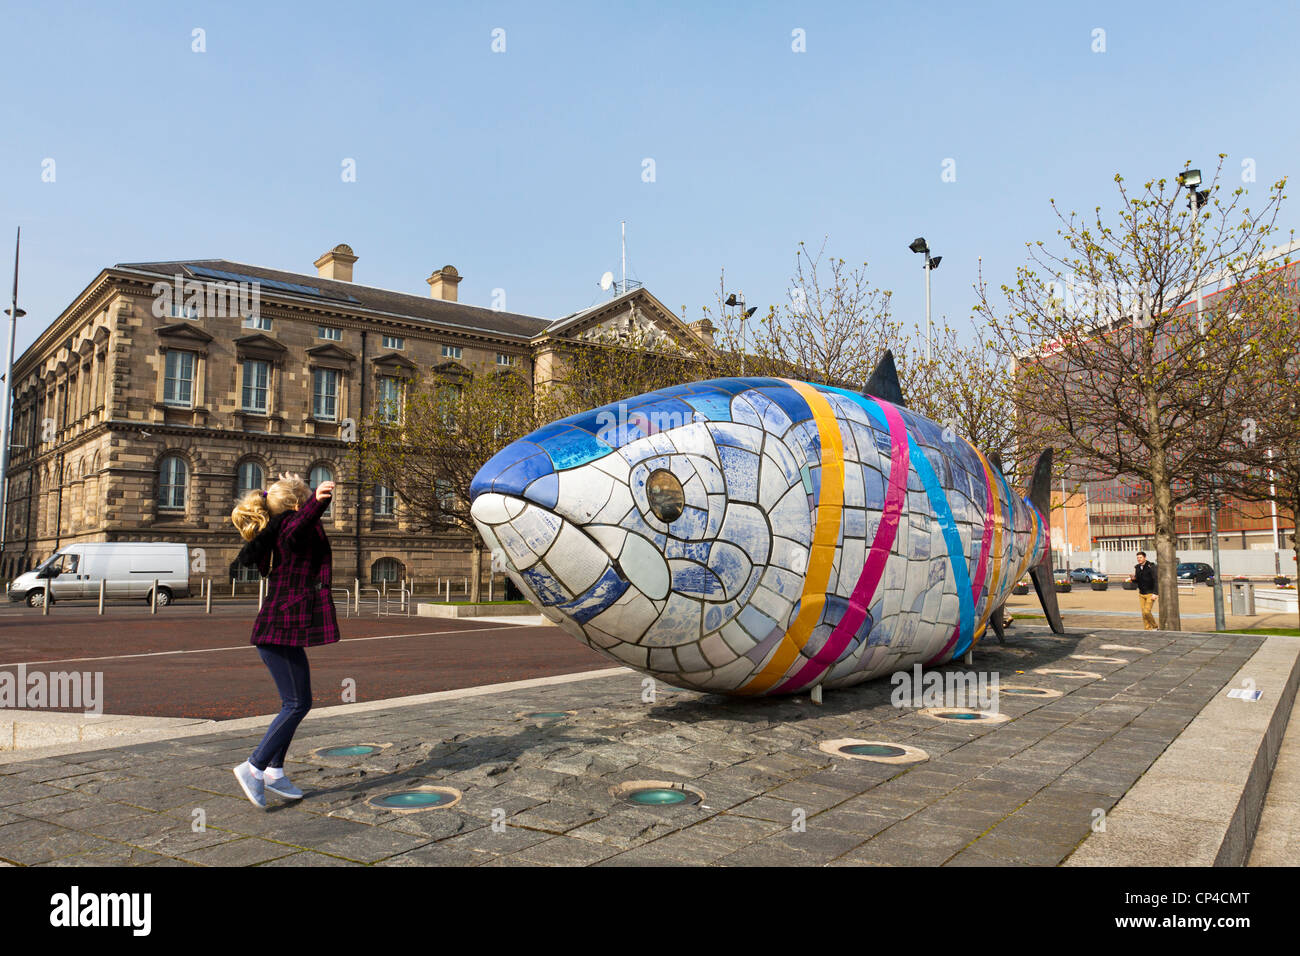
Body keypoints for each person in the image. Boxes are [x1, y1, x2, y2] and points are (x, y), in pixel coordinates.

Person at [228, 471, 338, 808]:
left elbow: (296, 525)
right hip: (278, 630)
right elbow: (298, 526)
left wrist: (301, 491)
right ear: (294, 504)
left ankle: (274, 771)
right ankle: (254, 765)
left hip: (282, 630)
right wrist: (317, 503)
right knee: (297, 703)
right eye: (303, 492)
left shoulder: (282, 524)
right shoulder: (291, 524)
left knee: (296, 701)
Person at [1134, 551, 1158, 630]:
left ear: (1145, 557)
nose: (1139, 559)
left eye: (1140, 557)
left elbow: (1156, 580)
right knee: (1143, 613)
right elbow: (1138, 580)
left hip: (1150, 593)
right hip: (1141, 593)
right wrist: (1133, 579)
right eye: (1137, 558)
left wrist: (1155, 593)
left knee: (1147, 611)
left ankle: (1155, 626)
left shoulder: (1151, 566)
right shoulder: (1137, 567)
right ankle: (1147, 629)